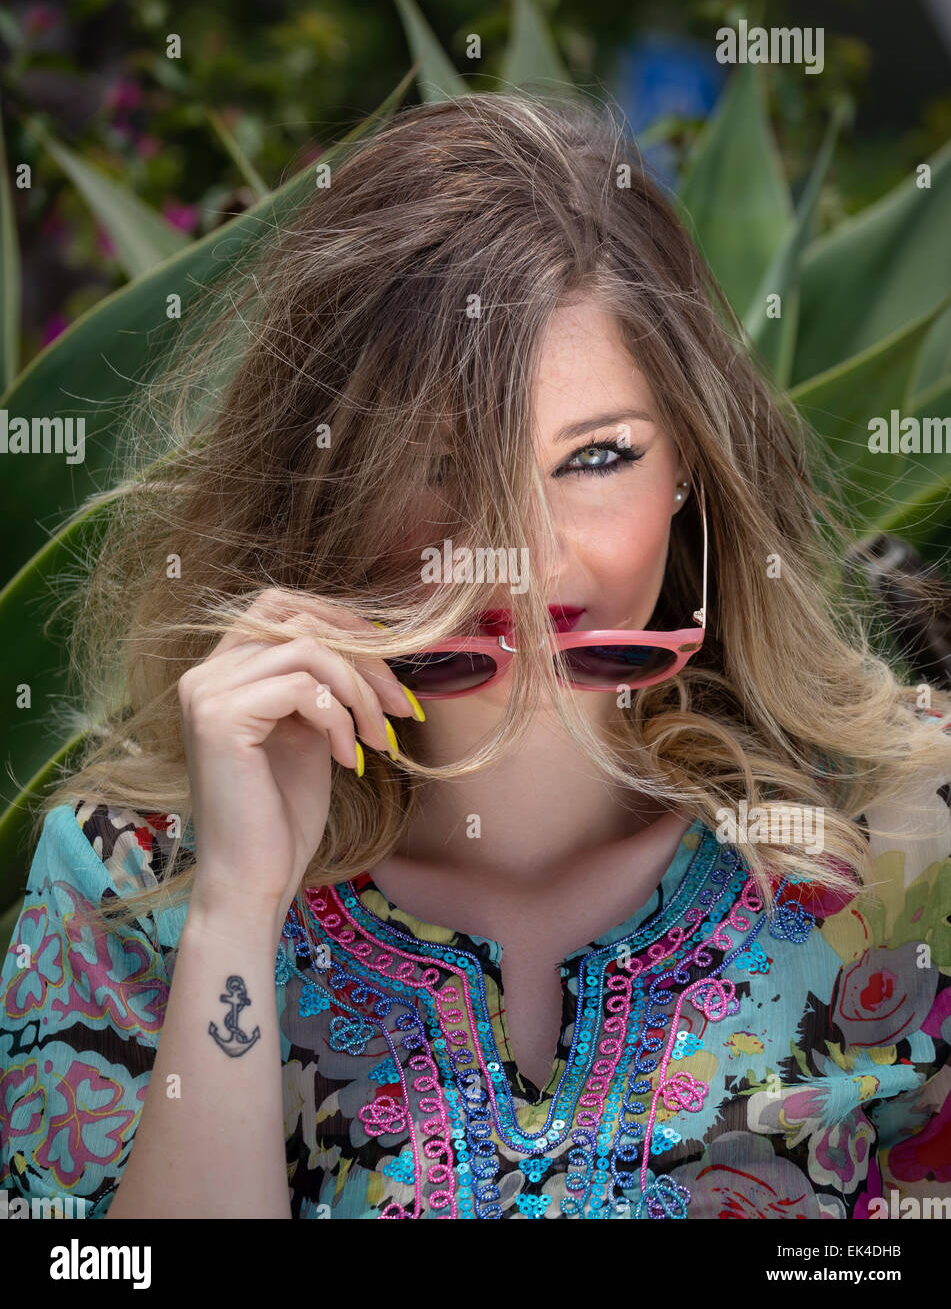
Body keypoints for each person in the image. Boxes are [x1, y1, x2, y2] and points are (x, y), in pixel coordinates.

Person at [2, 92, 950, 1222]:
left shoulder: (909, 838)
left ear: (688, 462)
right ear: (326, 480)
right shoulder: (125, 879)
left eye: (595, 455)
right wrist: (234, 911)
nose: (525, 553)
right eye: (444, 464)